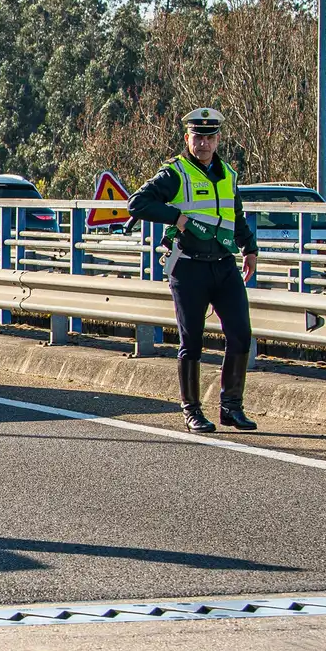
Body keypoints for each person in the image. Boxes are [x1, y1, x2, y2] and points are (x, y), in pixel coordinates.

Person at [127, 107, 260, 433]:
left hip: (224, 265)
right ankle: (192, 411)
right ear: (187, 138)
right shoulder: (176, 173)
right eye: (197, 137)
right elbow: (137, 203)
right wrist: (177, 218)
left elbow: (237, 215)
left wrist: (250, 248)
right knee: (192, 341)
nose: (203, 143)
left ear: (217, 139)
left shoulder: (228, 173)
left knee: (241, 334)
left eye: (209, 137)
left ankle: (231, 407)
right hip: (188, 267)